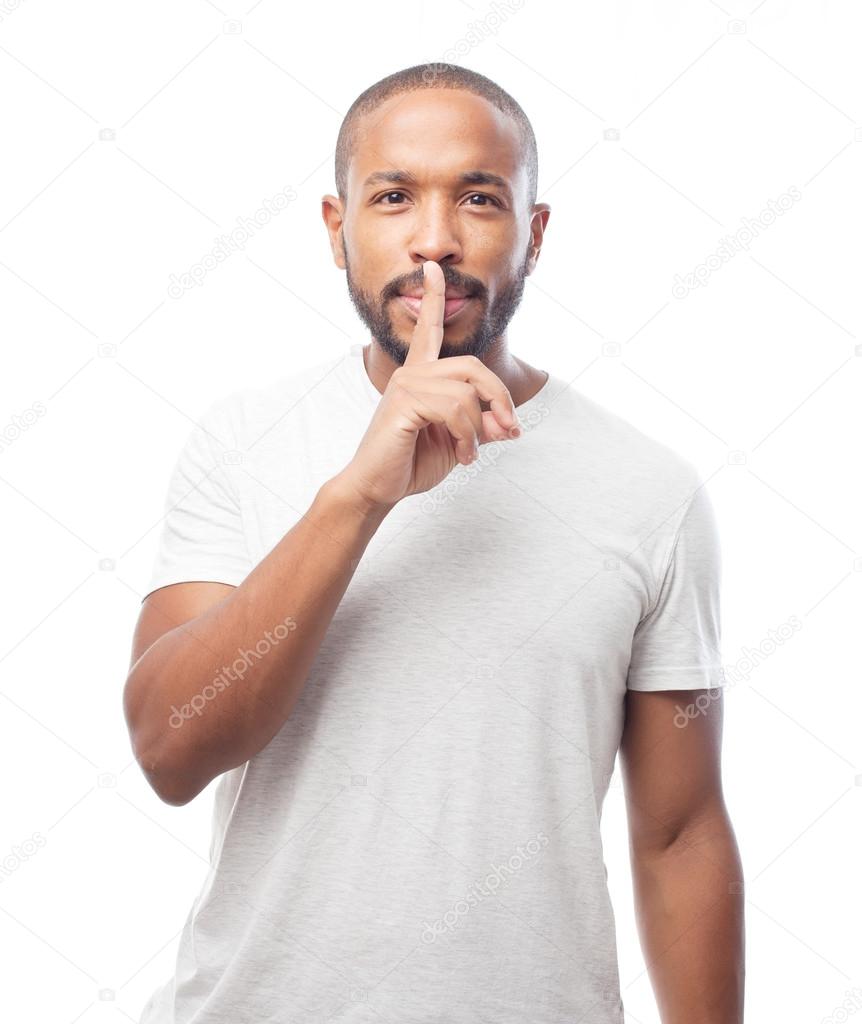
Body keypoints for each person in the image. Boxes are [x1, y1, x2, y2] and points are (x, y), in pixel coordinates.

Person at [125, 63, 744, 1024]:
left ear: (533, 235)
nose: (435, 241)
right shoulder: (243, 443)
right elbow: (170, 749)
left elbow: (681, 834)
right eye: (394, 196)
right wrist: (361, 495)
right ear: (339, 230)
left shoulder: (649, 491)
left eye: (480, 198)